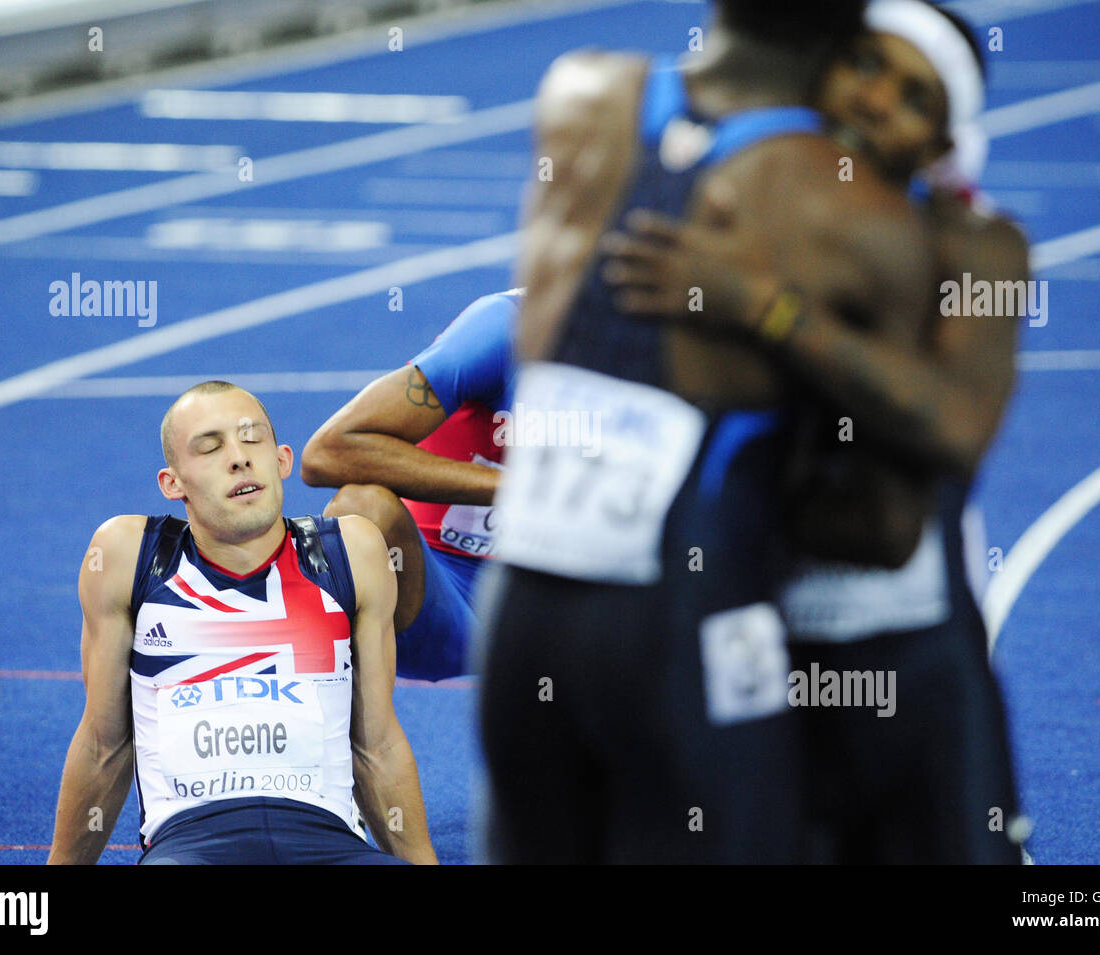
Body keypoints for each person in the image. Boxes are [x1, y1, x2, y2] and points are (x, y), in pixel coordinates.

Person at [478, 0, 948, 863]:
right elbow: (893, 514)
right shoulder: (860, 213)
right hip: (689, 627)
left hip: (518, 622)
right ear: (847, 50)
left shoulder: (578, 95)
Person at [599, 0, 1028, 862]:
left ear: (943, 147)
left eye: (913, 97)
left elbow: (952, 426)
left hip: (915, 672)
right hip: (752, 655)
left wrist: (763, 308)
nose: (874, 101)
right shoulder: (737, 211)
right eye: (865, 65)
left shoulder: (975, 247)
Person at [48, 380, 438, 864]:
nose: (238, 457)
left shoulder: (349, 554)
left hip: (328, 844)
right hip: (191, 847)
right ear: (173, 484)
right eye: (210, 448)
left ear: (282, 461)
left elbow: (376, 745)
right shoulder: (129, 558)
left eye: (252, 439)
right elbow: (104, 745)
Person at [301, 290, 518, 682]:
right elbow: (327, 452)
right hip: (442, 603)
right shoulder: (503, 329)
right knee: (362, 510)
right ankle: (342, 726)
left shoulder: (658, 358)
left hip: (563, 608)